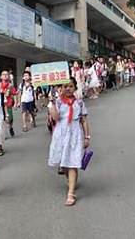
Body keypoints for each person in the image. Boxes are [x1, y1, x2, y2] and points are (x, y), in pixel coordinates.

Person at [48, 77, 90, 206]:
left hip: (75, 134)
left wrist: (87, 136)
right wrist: (52, 102)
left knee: (72, 163)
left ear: (75, 88)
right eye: (65, 86)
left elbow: (83, 120)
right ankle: (69, 178)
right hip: (61, 134)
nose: (68, 88)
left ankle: (71, 193)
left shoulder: (80, 102)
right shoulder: (58, 102)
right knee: (64, 163)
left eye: (70, 86)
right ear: (61, 88)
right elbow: (55, 118)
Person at [0, 70, 17, 137]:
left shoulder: (10, 86)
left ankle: (10, 127)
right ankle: (5, 134)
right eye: (3, 74)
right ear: (1, 77)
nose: (5, 76)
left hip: (8, 104)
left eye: (6, 74)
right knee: (3, 119)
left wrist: (15, 103)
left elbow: (14, 94)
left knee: (10, 119)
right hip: (1, 105)